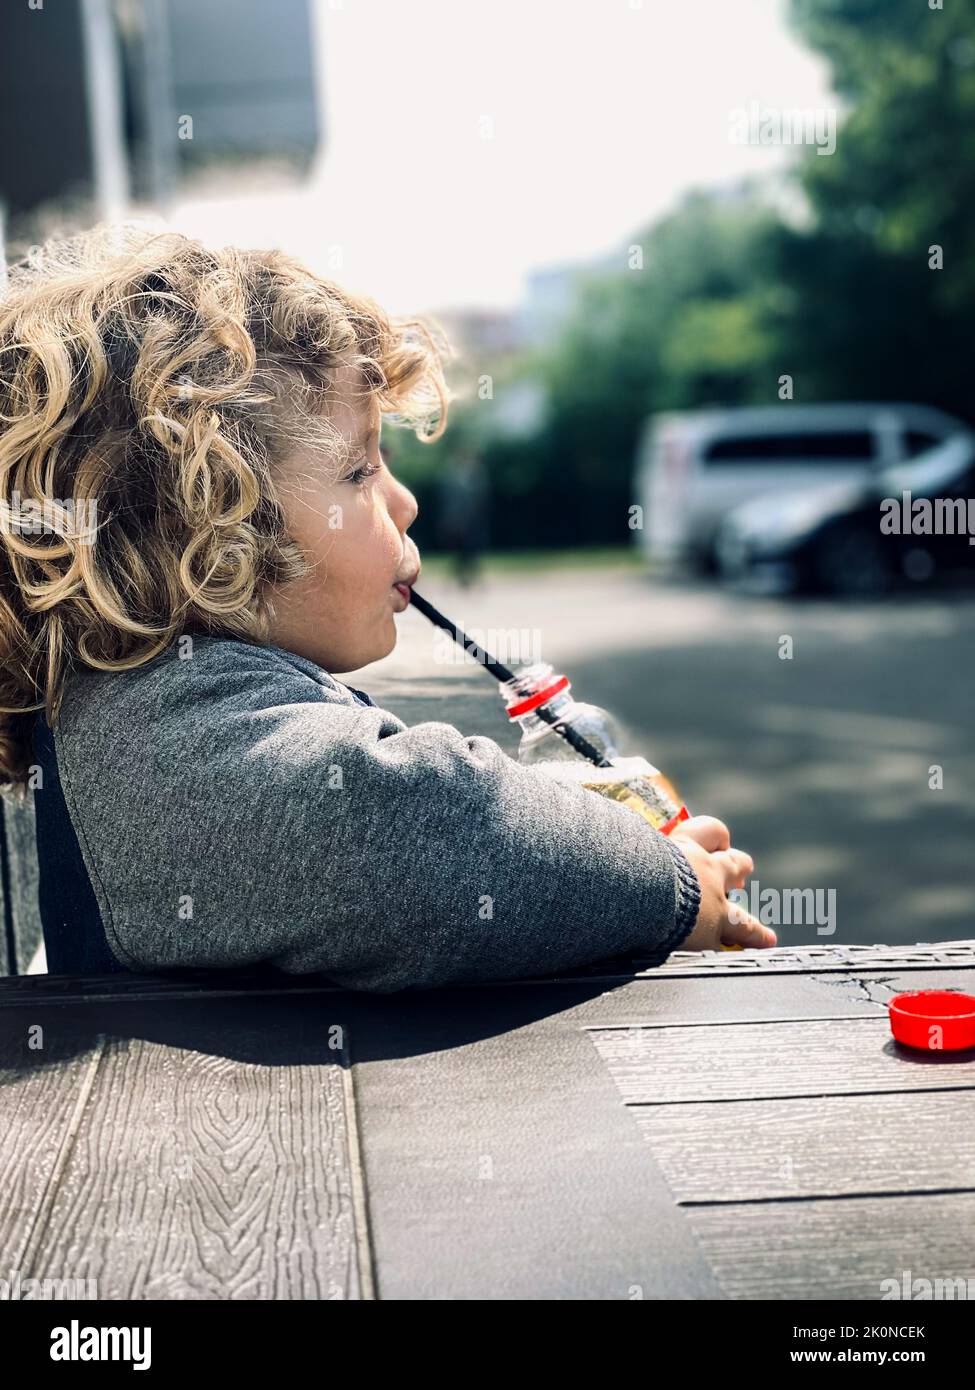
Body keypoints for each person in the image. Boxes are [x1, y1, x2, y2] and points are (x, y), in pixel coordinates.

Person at [0, 224, 774, 990]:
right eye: (358, 471)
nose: (404, 503)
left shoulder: (156, 699)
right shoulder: (167, 731)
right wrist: (669, 886)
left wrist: (592, 830)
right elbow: (403, 825)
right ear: (203, 531)